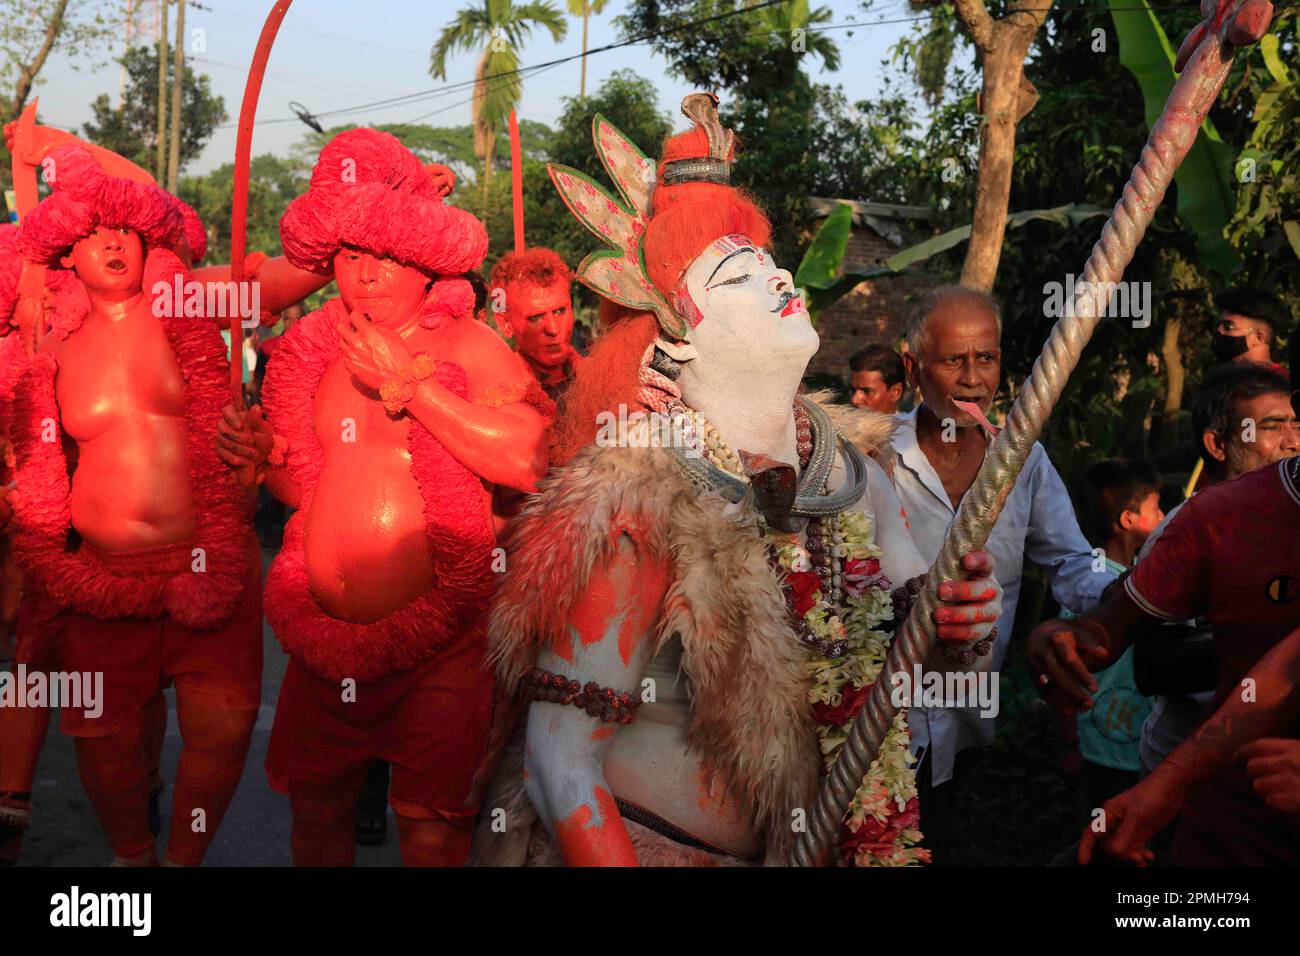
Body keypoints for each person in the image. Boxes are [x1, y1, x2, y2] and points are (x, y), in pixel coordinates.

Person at [471, 93, 1003, 868]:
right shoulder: (639, 494)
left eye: (769, 260)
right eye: (737, 274)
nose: (779, 276)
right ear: (677, 347)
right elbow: (559, 763)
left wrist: (957, 626)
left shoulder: (856, 474)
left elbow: (916, 658)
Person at [217, 128, 550, 867]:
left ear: (427, 262)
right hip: (321, 642)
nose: (366, 275)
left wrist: (414, 385)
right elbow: (306, 485)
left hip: (444, 652)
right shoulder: (312, 350)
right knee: (317, 813)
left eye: (387, 256)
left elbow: (533, 458)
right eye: (351, 256)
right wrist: (260, 461)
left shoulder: (468, 345)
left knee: (432, 828)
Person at [6, 145, 260, 867]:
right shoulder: (44, 340)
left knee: (224, 730)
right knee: (102, 741)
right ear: (66, 254)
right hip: (102, 577)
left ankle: (183, 860)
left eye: (127, 230)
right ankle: (131, 856)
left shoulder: (189, 303)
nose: (114, 242)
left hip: (209, 561)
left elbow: (265, 285)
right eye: (93, 233)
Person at [891, 285, 1114, 863]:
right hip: (874, 723)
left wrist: (1134, 591)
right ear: (914, 368)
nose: (972, 379)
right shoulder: (872, 457)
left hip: (967, 724)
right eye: (953, 360)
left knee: (939, 840)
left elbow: (1071, 562)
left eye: (985, 358)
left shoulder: (1024, 459)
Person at [1028, 450, 1300, 864]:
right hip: (1223, 833)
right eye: (1271, 424)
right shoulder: (1219, 515)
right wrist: (1170, 781)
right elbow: (1283, 673)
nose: (1286, 440)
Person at [1133, 362, 1299, 779]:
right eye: (1272, 426)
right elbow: (1153, 666)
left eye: (1298, 424)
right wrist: (1271, 647)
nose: (1292, 442)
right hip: (1185, 777)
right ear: (1218, 443)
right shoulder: (1185, 531)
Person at [1070, 460, 1162, 805]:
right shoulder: (1089, 585)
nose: (1164, 515)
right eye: (1156, 508)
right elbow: (1068, 665)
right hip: (1100, 745)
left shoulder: (1138, 575)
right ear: (1128, 520)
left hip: (1136, 739)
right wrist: (1071, 741)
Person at [488, 247, 582, 401]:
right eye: (536, 317)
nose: (553, 328)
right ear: (506, 324)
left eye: (560, 311)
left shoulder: (602, 376)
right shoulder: (501, 394)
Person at [1211, 287, 1287, 371]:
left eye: (1229, 327)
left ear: (1259, 338)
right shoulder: (1225, 378)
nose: (1219, 330)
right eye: (1218, 324)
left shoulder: (1276, 382)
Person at [849, 343, 905, 415]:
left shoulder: (916, 426)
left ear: (896, 392)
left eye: (867, 391)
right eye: (853, 390)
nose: (854, 400)